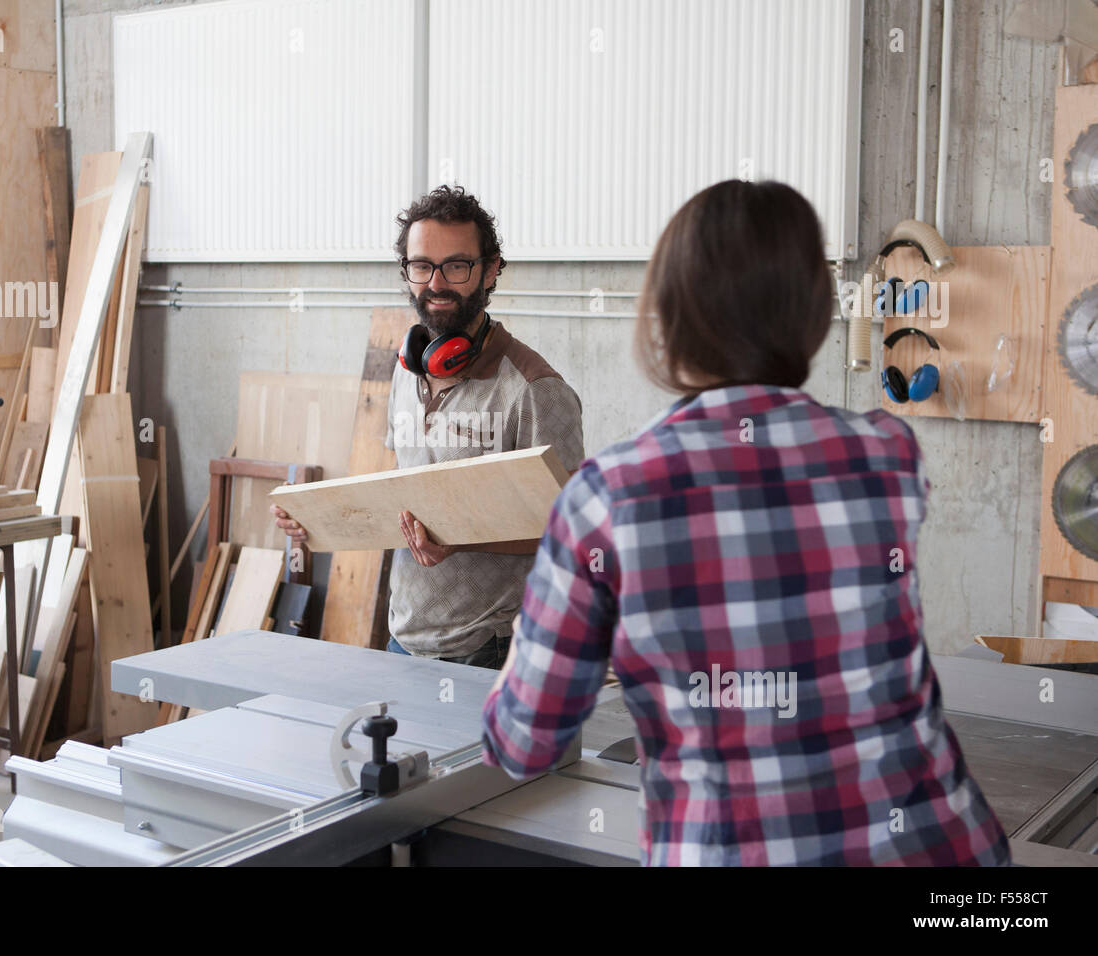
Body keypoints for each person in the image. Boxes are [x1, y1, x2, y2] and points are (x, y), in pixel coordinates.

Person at [480, 179, 1010, 866]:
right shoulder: (887, 454)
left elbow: (526, 742)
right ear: (813, 316)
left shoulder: (607, 498)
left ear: (669, 313)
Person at [271, 185, 584, 667]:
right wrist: (317, 522)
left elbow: (573, 532)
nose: (436, 283)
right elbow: (404, 495)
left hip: (492, 649)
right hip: (404, 634)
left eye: (456, 265)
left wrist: (461, 535)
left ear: (492, 268)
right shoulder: (406, 369)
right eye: (421, 266)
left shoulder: (536, 389)